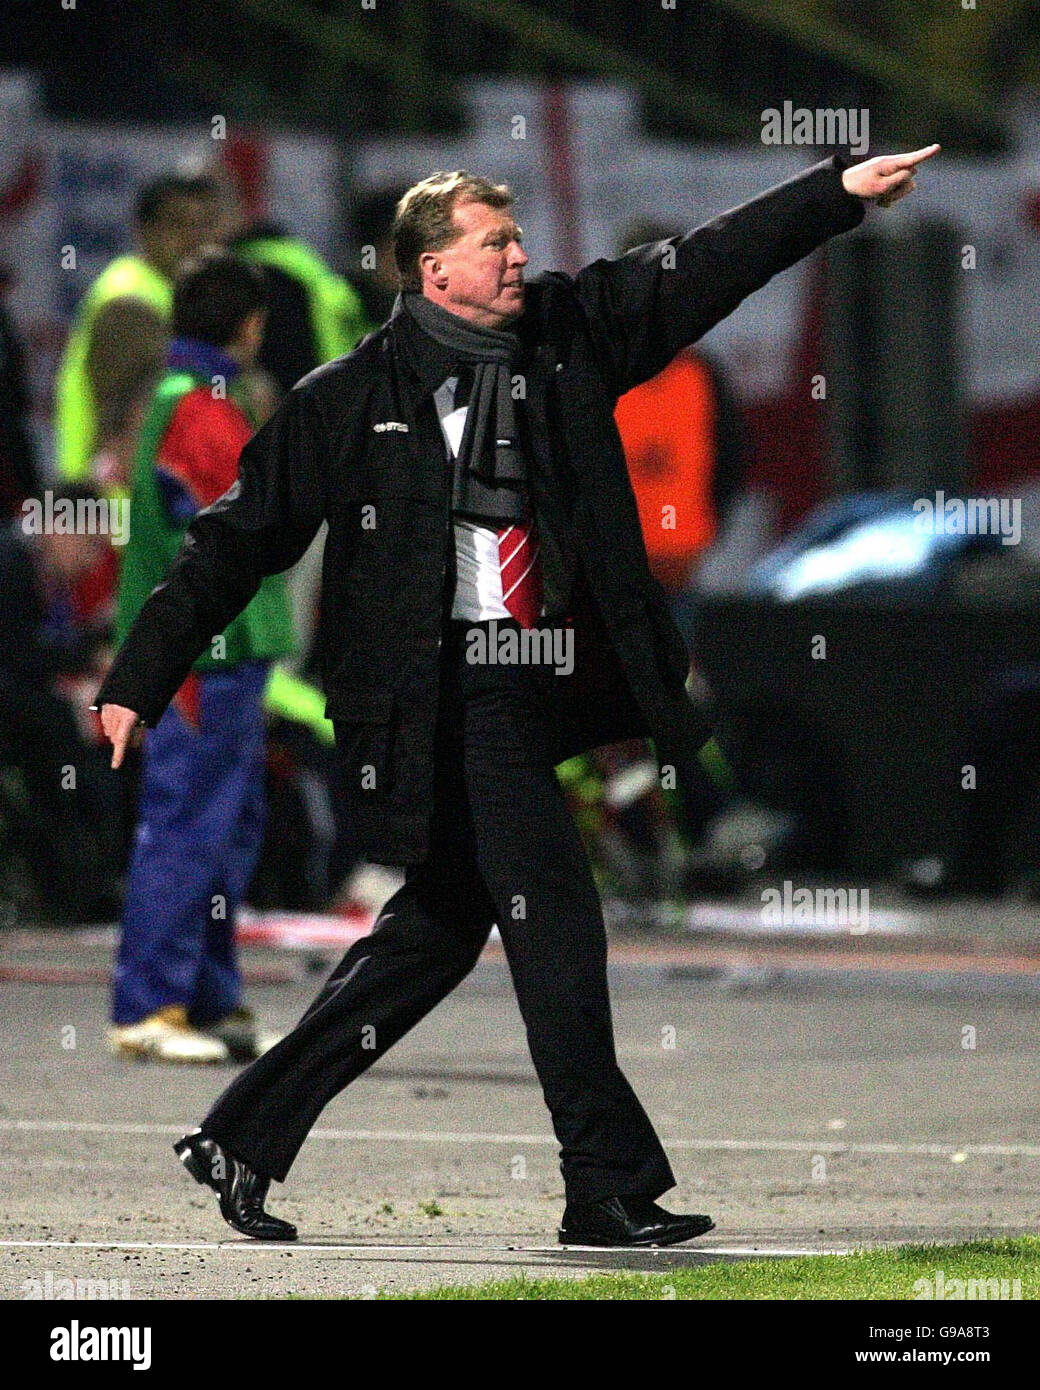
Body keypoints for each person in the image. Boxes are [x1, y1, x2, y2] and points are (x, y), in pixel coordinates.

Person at [93, 144, 939, 1247]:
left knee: (435, 931)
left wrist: (829, 195)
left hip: (539, 686)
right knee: (558, 924)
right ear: (430, 269)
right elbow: (228, 544)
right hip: (447, 698)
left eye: (517, 239)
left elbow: (699, 265)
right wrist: (137, 680)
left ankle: (243, 1135)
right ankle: (604, 1184)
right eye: (495, 242)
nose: (519, 256)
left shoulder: (567, 333)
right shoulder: (346, 399)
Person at [104, 249, 296, 1064]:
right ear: (251, 329)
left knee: (224, 830)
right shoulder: (201, 409)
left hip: (225, 655)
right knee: (185, 829)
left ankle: (208, 1000)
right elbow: (255, 525)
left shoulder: (182, 399)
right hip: (201, 663)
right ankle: (148, 1006)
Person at [54, 172, 222, 488]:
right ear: (143, 231)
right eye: (177, 224)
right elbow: (133, 420)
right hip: (114, 507)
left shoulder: (170, 292)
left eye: (203, 225)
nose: (194, 238)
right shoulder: (128, 298)